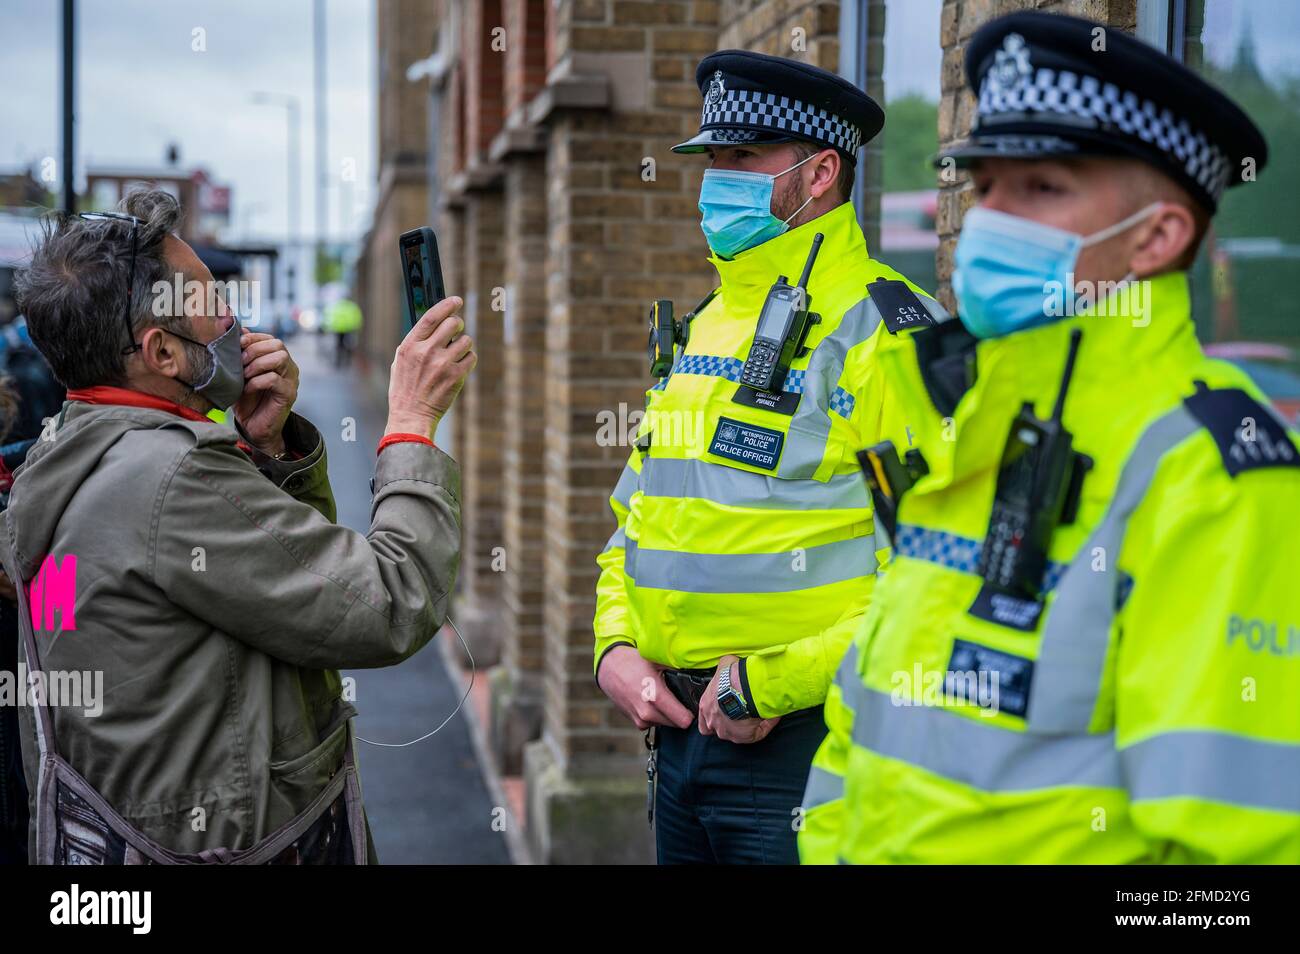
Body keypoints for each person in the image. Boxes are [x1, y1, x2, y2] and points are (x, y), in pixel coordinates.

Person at [806, 11, 1300, 864]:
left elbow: (1231, 867)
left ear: (1158, 236)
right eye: (987, 185)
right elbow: (864, 728)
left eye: (1042, 189)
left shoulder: (1209, 470)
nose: (992, 217)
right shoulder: (971, 422)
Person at [6, 188, 475, 864]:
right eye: (210, 304)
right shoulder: (172, 478)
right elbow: (387, 602)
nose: (233, 318)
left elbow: (289, 595)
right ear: (162, 353)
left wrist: (272, 452)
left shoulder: (64, 455)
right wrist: (411, 425)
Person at [594, 49, 945, 864]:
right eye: (712, 158)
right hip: (680, 746)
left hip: (807, 747)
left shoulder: (886, 330)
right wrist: (613, 643)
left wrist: (771, 683)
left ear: (821, 173)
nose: (718, 178)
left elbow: (936, 573)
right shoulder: (713, 319)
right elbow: (636, 513)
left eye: (743, 157)